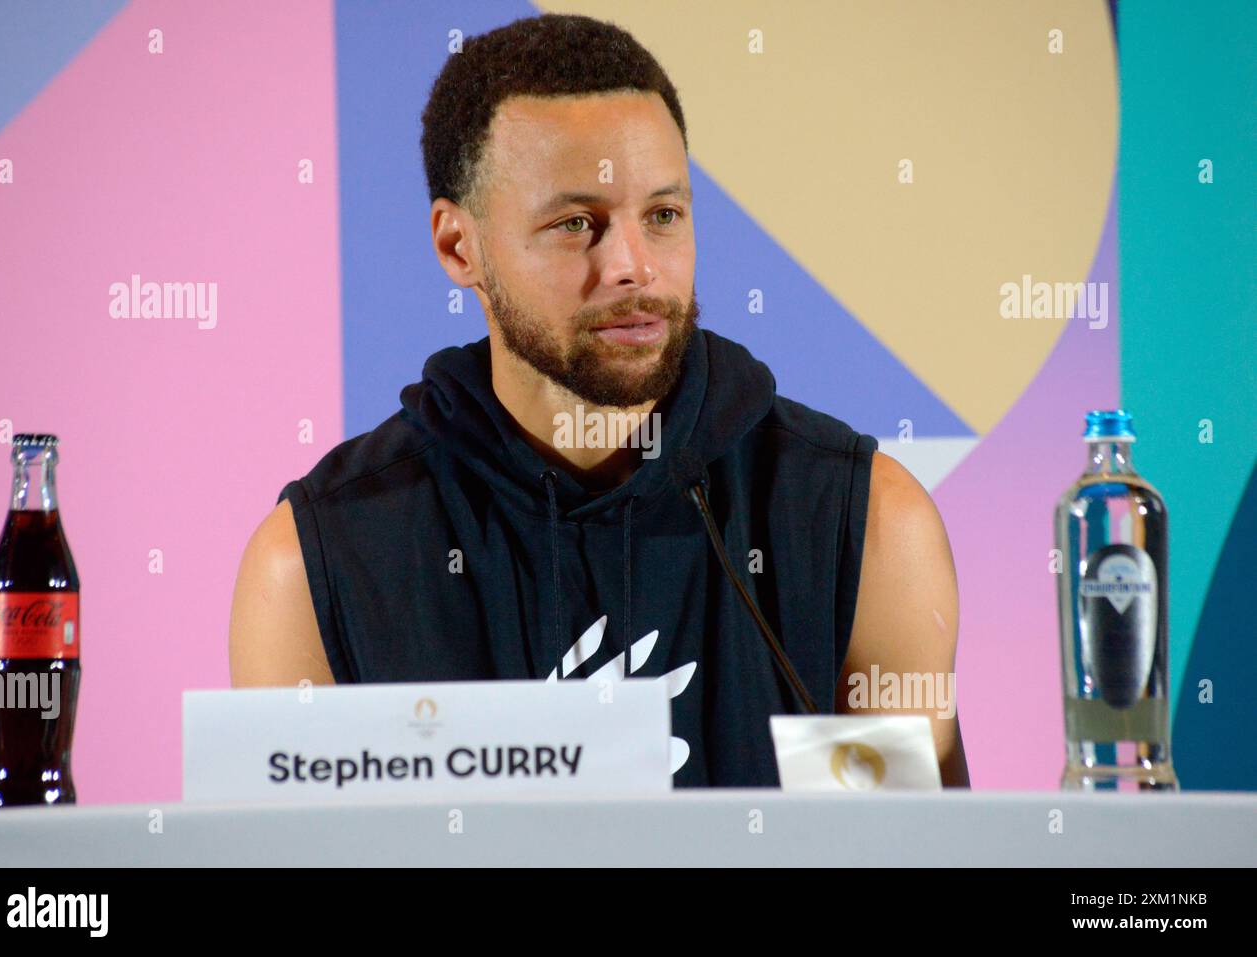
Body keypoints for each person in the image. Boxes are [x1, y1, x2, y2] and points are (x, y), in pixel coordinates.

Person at [229, 13, 969, 788]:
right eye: (577, 223)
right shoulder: (315, 566)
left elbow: (891, 848)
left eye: (662, 215)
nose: (632, 267)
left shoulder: (867, 527)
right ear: (460, 247)